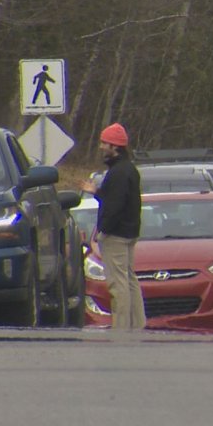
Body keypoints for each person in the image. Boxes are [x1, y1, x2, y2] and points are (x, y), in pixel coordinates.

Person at [80, 123, 144, 331]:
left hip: (116, 234)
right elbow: (117, 199)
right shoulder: (128, 170)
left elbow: (114, 206)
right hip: (129, 232)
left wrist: (102, 230)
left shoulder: (117, 173)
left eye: (104, 143)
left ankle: (122, 327)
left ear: (114, 146)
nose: (101, 147)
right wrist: (97, 192)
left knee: (118, 284)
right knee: (129, 278)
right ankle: (137, 324)